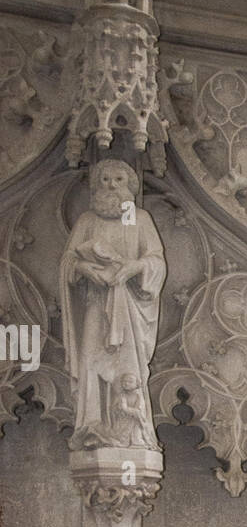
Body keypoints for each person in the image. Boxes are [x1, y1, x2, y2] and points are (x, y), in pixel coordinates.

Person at [59, 160, 166, 450]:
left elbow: (156, 260)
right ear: (96, 186)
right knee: (91, 360)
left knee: (128, 366)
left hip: (128, 305)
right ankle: (91, 427)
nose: (111, 185)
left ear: (130, 186)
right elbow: (68, 261)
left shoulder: (141, 220)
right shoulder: (87, 222)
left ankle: (132, 434)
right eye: (105, 179)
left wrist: (134, 267)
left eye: (119, 179)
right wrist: (84, 269)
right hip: (96, 303)